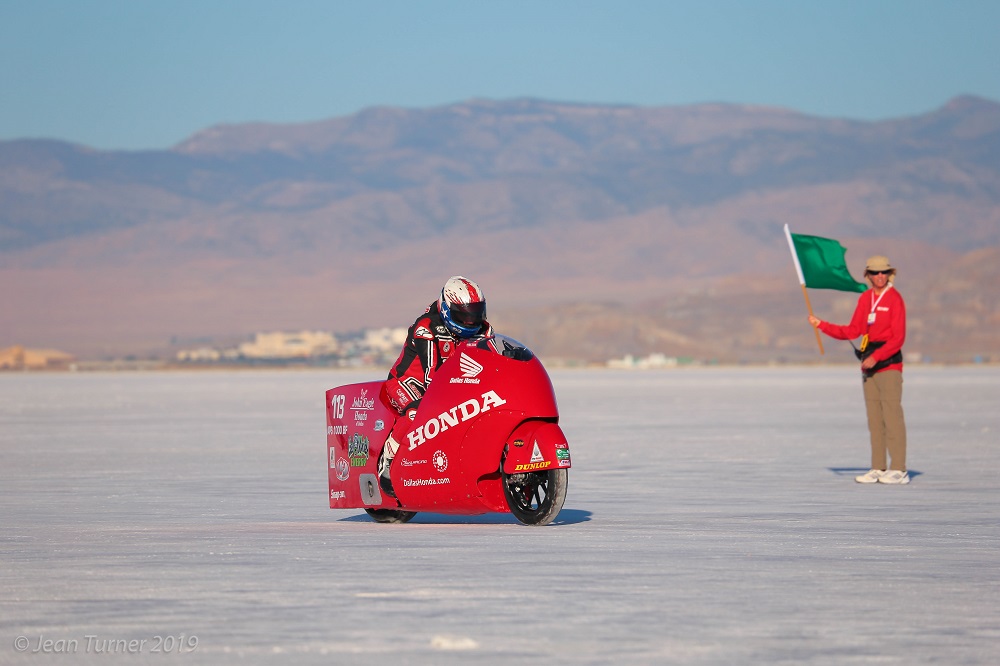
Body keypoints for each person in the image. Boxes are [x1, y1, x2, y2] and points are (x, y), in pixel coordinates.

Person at [377, 276, 493, 496]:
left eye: (475, 313)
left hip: (452, 384)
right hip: (407, 382)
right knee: (416, 412)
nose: (471, 321)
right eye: (464, 315)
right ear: (448, 310)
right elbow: (432, 374)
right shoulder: (426, 327)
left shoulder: (484, 331)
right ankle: (388, 464)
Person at [809, 255, 909, 484]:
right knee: (874, 419)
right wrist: (821, 325)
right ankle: (878, 468)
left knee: (892, 417)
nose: (879, 276)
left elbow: (898, 337)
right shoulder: (865, 299)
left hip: (889, 364)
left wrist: (877, 357)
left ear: (889, 273)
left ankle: (899, 469)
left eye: (883, 272)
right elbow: (853, 330)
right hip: (869, 367)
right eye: (875, 273)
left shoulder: (895, 299)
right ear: (868, 275)